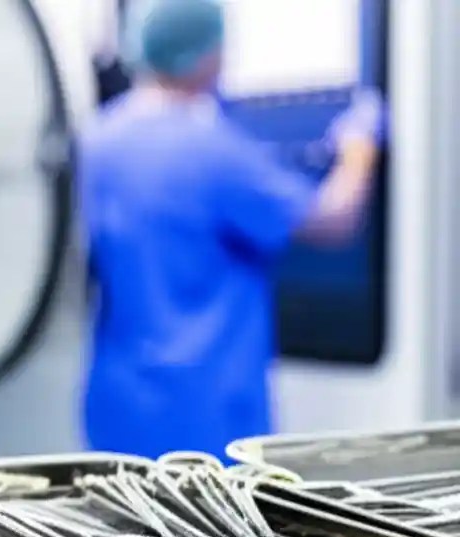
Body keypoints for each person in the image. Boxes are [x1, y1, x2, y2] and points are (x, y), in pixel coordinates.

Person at [79, 0, 385, 460]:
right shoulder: (211, 150)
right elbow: (333, 220)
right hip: (201, 414)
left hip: (120, 404)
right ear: (207, 54)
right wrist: (360, 147)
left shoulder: (98, 139)